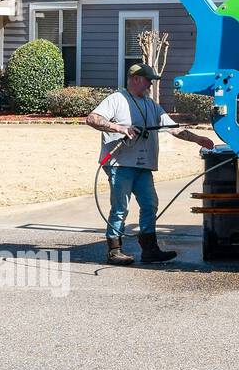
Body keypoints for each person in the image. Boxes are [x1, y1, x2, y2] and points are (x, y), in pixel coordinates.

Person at [84, 63, 214, 265]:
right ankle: (114, 250)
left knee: (149, 204)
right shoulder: (117, 99)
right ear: (135, 78)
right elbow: (92, 118)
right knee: (120, 207)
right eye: (147, 80)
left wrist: (198, 139)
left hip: (143, 165)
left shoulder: (150, 104)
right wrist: (118, 127)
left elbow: (172, 128)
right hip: (120, 163)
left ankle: (149, 249)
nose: (150, 84)